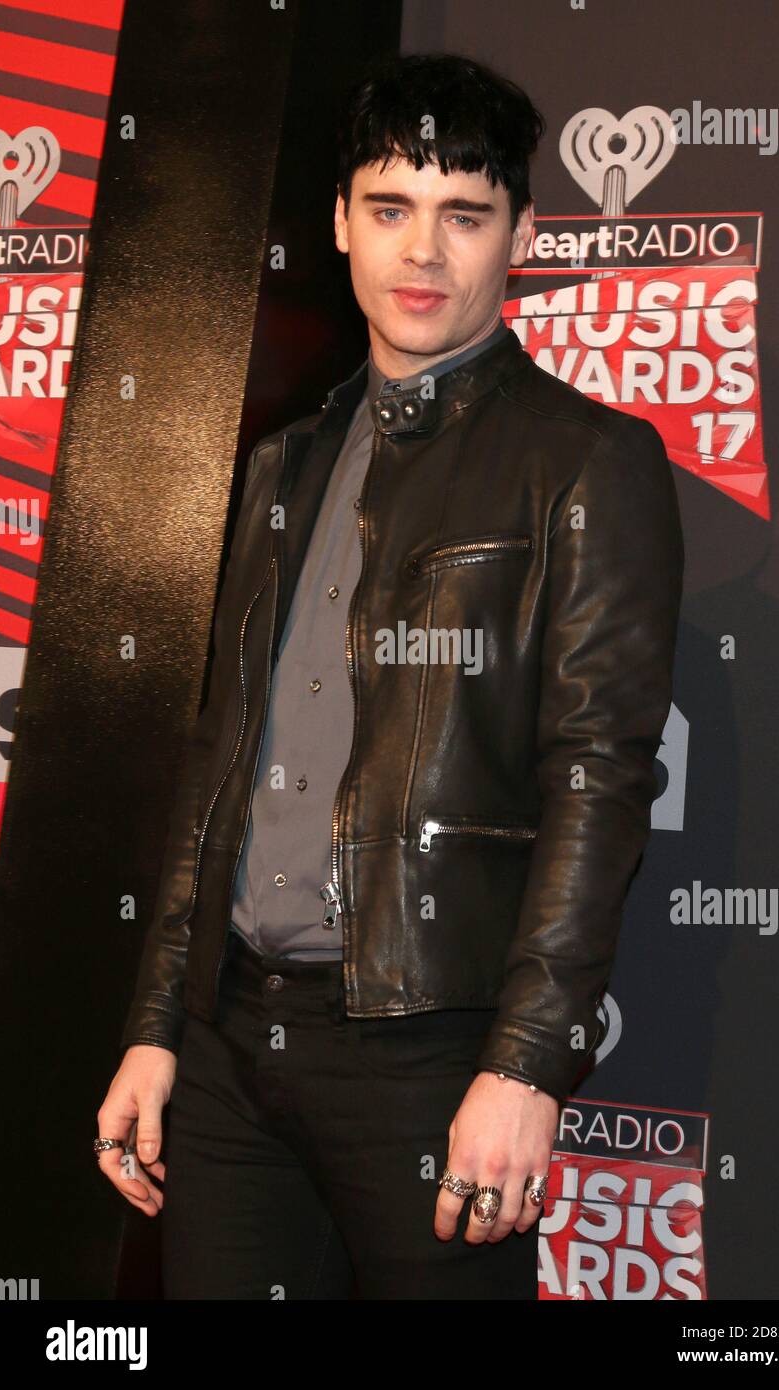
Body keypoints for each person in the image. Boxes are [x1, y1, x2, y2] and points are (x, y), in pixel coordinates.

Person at [96, 51, 684, 1300]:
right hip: (228, 1055)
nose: (422, 251)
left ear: (517, 233)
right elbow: (221, 759)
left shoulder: (586, 462)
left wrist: (524, 1066)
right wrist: (160, 1028)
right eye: (389, 207)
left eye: (462, 214)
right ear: (339, 225)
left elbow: (597, 779)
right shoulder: (285, 464)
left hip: (429, 1055)